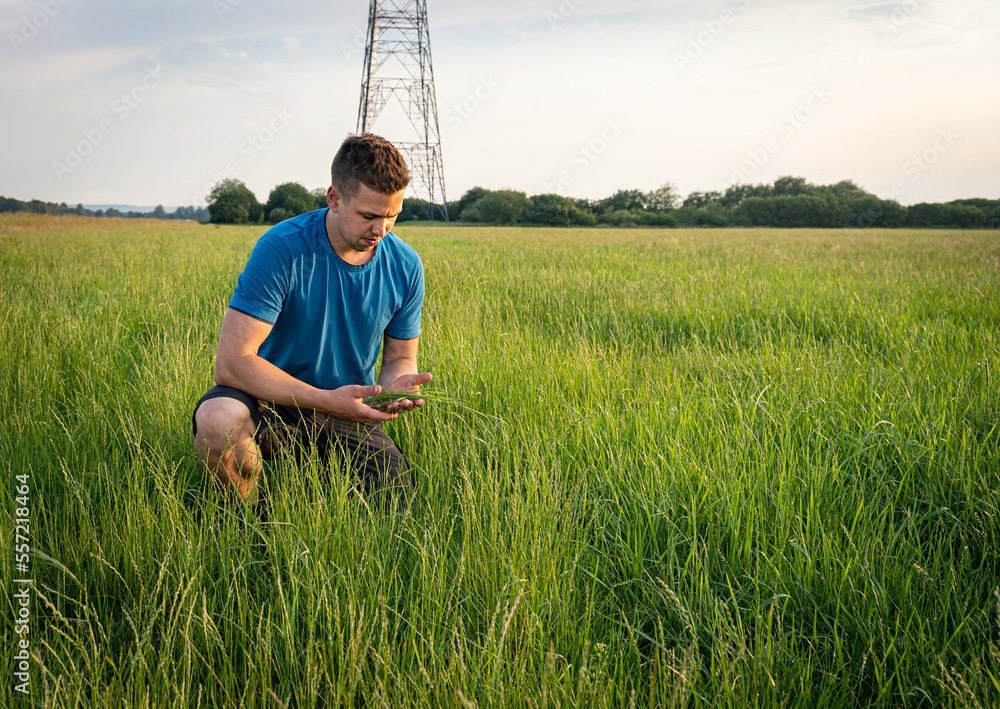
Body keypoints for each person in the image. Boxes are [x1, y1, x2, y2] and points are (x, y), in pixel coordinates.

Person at [192, 133, 432, 506]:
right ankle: (246, 520)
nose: (381, 230)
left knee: (397, 506)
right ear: (334, 198)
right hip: (270, 399)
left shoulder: (406, 264)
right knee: (217, 419)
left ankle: (316, 470)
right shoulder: (282, 247)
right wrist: (324, 400)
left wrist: (394, 388)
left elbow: (400, 356)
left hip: (348, 406)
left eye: (392, 216)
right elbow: (231, 363)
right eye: (369, 216)